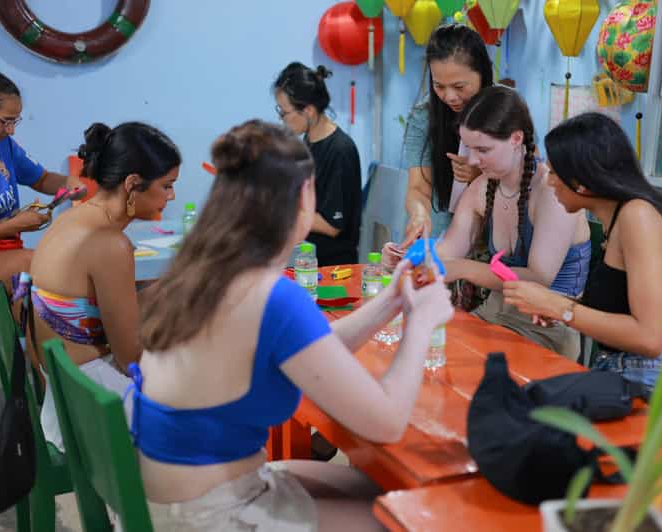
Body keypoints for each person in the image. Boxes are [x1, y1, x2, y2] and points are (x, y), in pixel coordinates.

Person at [132, 120, 452, 531]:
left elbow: (312, 347)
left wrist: (390, 301)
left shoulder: (202, 272)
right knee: (408, 517)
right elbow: (387, 423)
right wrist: (421, 323)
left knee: (377, 486)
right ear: (305, 195)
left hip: (172, 497)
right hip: (208, 513)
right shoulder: (272, 295)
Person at [503, 112, 662, 419]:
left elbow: (650, 339)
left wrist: (558, 307)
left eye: (554, 173)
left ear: (581, 183)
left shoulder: (638, 217)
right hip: (619, 372)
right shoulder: (619, 218)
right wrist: (560, 307)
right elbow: (620, 307)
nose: (548, 180)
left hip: (652, 384)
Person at [386, 87, 590, 359]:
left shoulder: (552, 192)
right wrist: (406, 259)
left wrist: (462, 268)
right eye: (468, 148)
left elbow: (539, 279)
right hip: (492, 316)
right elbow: (446, 253)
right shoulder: (483, 188)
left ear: (516, 139)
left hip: (545, 330)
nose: (471, 160)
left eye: (483, 149)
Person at [25, 121, 181, 450]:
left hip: (66, 396)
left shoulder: (72, 220)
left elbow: (91, 312)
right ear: (133, 183)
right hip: (96, 407)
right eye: (166, 186)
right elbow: (130, 358)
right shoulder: (109, 244)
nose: (172, 196)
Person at [0, 71, 78, 288]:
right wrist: (11, 226)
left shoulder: (1, 144)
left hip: (7, 250)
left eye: (15, 121)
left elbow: (42, 179)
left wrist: (68, 183)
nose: (12, 130)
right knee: (32, 265)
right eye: (5, 121)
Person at [402, 24, 493, 245]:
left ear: (482, 73)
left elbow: (530, 176)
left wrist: (480, 176)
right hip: (443, 239)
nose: (450, 97)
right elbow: (417, 188)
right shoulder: (423, 117)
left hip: (496, 242)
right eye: (439, 86)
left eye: (459, 86)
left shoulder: (507, 111)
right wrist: (420, 214)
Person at [273, 62, 361, 266]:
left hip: (331, 268)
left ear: (308, 111)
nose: (282, 119)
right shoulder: (309, 142)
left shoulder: (340, 150)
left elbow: (332, 225)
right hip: (306, 259)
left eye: (284, 112)